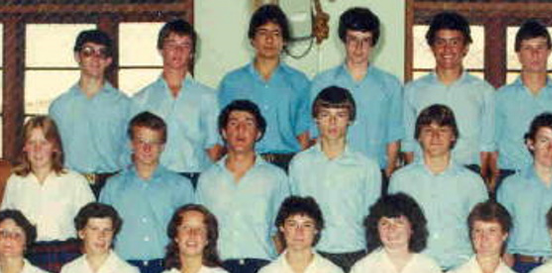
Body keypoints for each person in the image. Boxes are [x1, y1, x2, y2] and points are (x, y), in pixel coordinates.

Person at [195, 99, 291, 273]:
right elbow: (200, 230)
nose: (240, 129)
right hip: (218, 269)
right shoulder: (207, 178)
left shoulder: (276, 177)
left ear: (259, 133)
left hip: (262, 268)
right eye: (233, 123)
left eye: (248, 123)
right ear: (223, 132)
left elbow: (282, 230)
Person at [99, 112, 196, 273]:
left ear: (163, 146)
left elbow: (190, 232)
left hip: (167, 271)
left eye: (153, 143)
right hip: (123, 270)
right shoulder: (113, 186)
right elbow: (102, 232)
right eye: (141, 142)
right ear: (131, 144)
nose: (147, 149)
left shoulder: (180, 186)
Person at [289, 86, 382, 273]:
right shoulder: (299, 164)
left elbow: (372, 220)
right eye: (325, 115)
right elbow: (294, 216)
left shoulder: (367, 167)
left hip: (353, 253)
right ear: (316, 119)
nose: (332, 122)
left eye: (340, 115)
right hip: (312, 253)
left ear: (350, 120)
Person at [308, 7, 404, 180]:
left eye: (365, 41)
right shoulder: (322, 82)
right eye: (353, 39)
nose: (359, 48)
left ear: (373, 43)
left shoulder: (390, 85)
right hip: (332, 172)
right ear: (344, 40)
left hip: (376, 173)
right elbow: (315, 134)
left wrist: (388, 177)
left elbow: (393, 138)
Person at [388, 104, 489, 270]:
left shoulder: (472, 182)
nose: (435, 137)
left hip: (460, 268)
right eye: (428, 130)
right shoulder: (400, 180)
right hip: (414, 268)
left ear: (453, 136)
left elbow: (483, 231)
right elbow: (392, 229)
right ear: (418, 137)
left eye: (442, 130)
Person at [402, 11, 495, 184]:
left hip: (468, 175)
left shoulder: (484, 91)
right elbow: (408, 144)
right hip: (423, 174)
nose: (447, 49)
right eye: (441, 42)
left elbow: (487, 146)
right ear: (432, 47)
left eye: (454, 42)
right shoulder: (412, 90)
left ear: (465, 47)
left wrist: (477, 183)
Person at [219, 4, 312, 171]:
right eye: (263, 33)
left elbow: (304, 134)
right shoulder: (232, 82)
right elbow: (222, 132)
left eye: (276, 34)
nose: (269, 40)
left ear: (284, 41)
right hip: (245, 162)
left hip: (288, 163)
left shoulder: (299, 82)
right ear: (252, 40)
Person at [0, 116, 95, 273]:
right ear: (24, 147)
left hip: (67, 259)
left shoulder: (74, 181)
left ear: (55, 147)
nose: (37, 149)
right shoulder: (15, 182)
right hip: (27, 258)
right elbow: (4, 227)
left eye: (44, 143)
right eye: (32, 142)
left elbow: (92, 226)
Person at [493, 20, 552, 192]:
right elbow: (491, 147)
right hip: (512, 179)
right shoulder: (501, 97)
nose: (535, 54)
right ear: (518, 54)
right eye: (528, 48)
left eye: (540, 47)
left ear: (549, 51)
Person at [130, 19, 222, 179]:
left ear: (192, 53)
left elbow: (214, 149)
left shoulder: (208, 97)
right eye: (172, 44)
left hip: (195, 179)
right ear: (160, 49)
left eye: (185, 45)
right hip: (154, 179)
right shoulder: (141, 99)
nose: (178, 51)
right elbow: (132, 149)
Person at [498, 113, 552, 273]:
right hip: (521, 267)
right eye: (544, 140)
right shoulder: (510, 186)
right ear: (531, 143)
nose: (550, 148)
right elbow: (501, 233)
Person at [48, 28, 132, 194]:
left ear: (109, 60)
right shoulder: (59, 106)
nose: (95, 58)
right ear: (77, 57)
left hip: (112, 187)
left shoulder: (125, 105)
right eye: (88, 52)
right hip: (69, 187)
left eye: (101, 53)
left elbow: (131, 150)